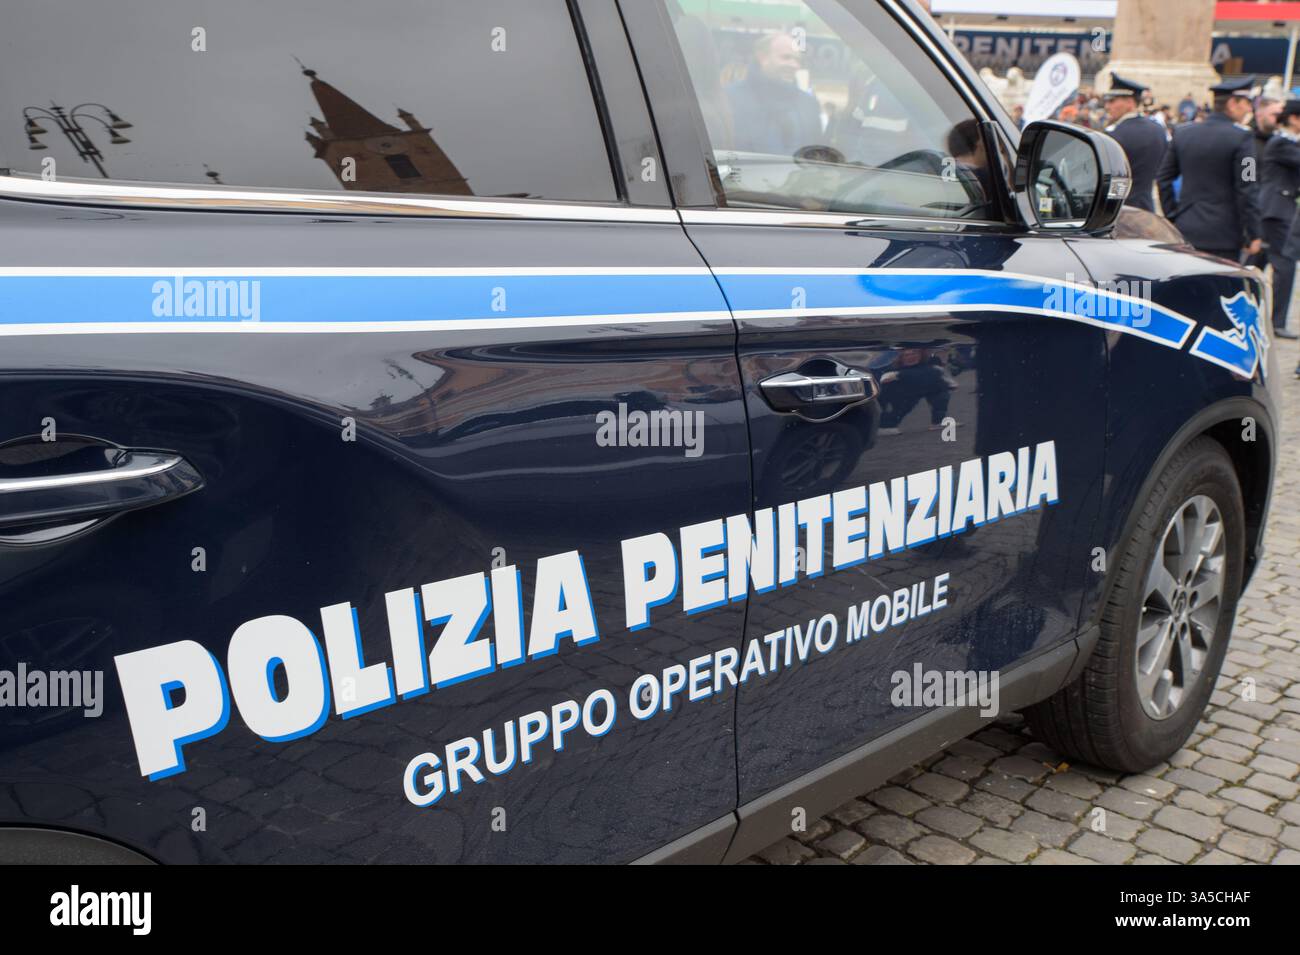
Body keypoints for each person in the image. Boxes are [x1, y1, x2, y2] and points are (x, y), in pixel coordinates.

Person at [1156, 76, 1263, 261]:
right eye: (1246, 102)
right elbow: (1247, 187)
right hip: (1224, 235)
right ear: (1232, 103)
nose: (1249, 108)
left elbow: (1163, 178)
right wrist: (1254, 233)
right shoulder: (1243, 138)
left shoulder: (1184, 132)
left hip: (1186, 227)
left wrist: (1173, 215)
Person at [726, 32, 822, 156]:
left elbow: (817, 157)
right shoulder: (730, 99)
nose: (794, 65)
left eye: (798, 60)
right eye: (786, 57)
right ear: (762, 58)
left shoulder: (809, 104)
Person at [1260, 99, 1300, 339]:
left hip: (1273, 208)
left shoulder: (1282, 142)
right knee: (1285, 264)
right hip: (1277, 210)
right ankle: (1277, 322)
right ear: (1294, 119)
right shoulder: (1282, 142)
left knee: (1256, 261)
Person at [1103, 74, 1167, 212]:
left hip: (1119, 212)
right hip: (1146, 209)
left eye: (1112, 101)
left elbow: (1113, 179)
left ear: (1130, 103)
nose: (1107, 106)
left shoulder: (1114, 135)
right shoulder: (1158, 130)